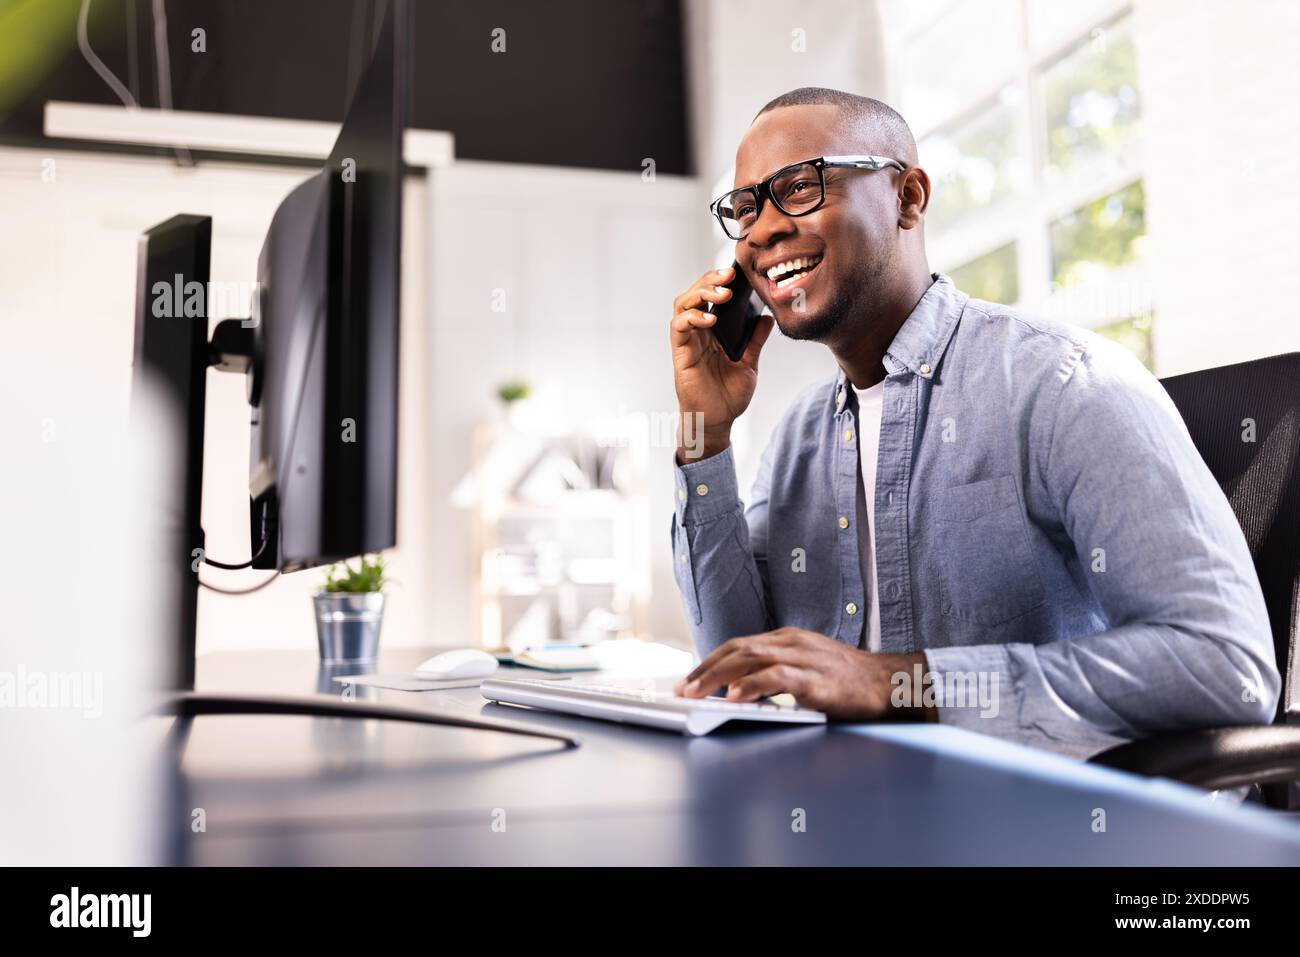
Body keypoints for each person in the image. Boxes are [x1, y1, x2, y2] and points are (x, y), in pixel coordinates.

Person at [667, 86, 1279, 758]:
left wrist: (901, 683)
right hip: (850, 804)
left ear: (908, 198)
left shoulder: (1065, 384)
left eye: (800, 187)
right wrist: (705, 433)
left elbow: (1223, 663)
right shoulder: (797, 436)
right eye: (746, 207)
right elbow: (731, 668)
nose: (761, 230)